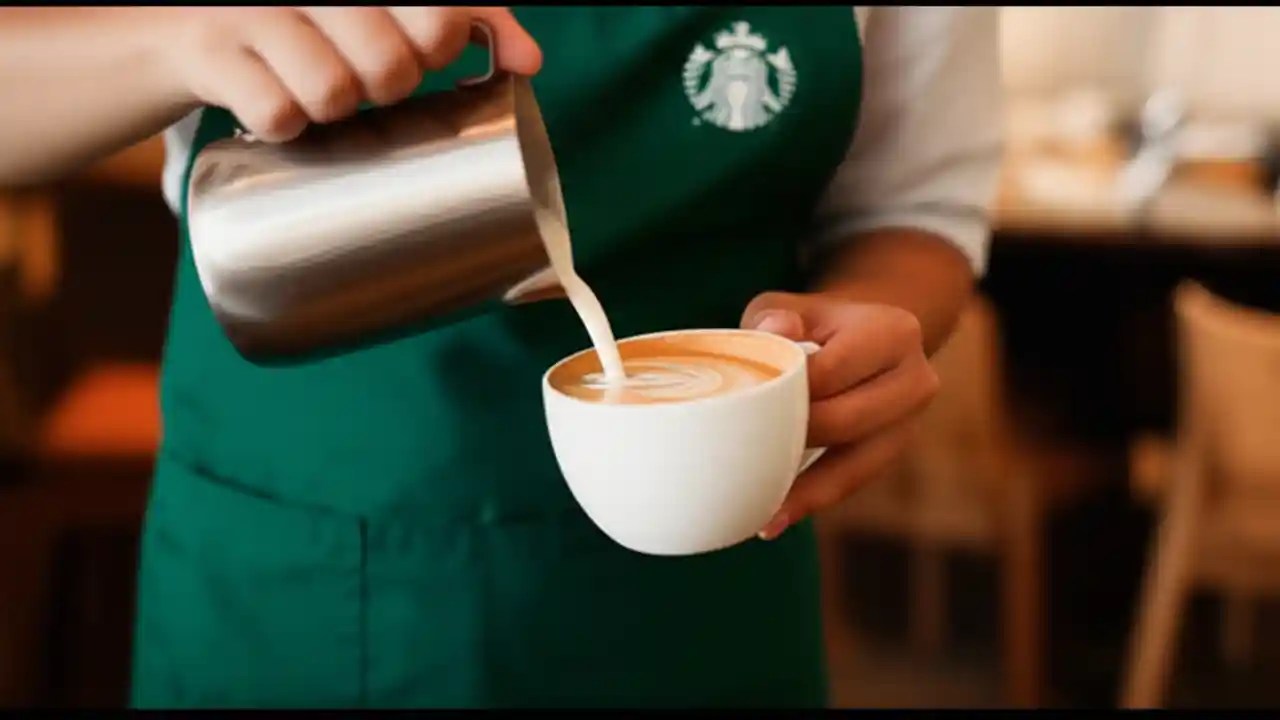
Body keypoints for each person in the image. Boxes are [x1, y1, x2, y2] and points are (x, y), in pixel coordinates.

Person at [0, 6, 1003, 708]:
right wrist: (170, 37)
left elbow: (910, 208)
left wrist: (869, 323)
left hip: (700, 595)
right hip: (293, 579)